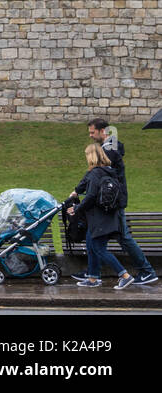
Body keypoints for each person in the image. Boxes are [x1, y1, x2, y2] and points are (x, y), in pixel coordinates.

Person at [72, 118, 157, 285]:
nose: (90, 135)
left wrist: (78, 190)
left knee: (123, 237)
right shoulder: (110, 146)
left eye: (92, 132)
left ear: (103, 131)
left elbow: (95, 172)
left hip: (112, 202)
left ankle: (146, 271)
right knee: (93, 238)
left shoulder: (110, 149)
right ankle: (92, 273)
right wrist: (79, 189)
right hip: (108, 201)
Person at [67, 144, 133, 289]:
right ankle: (93, 279)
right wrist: (76, 191)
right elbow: (85, 183)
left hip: (100, 219)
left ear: (92, 156)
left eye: (87, 155)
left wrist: (76, 208)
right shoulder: (108, 171)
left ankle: (125, 275)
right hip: (108, 216)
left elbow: (91, 196)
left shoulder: (96, 173)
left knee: (98, 248)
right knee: (92, 245)